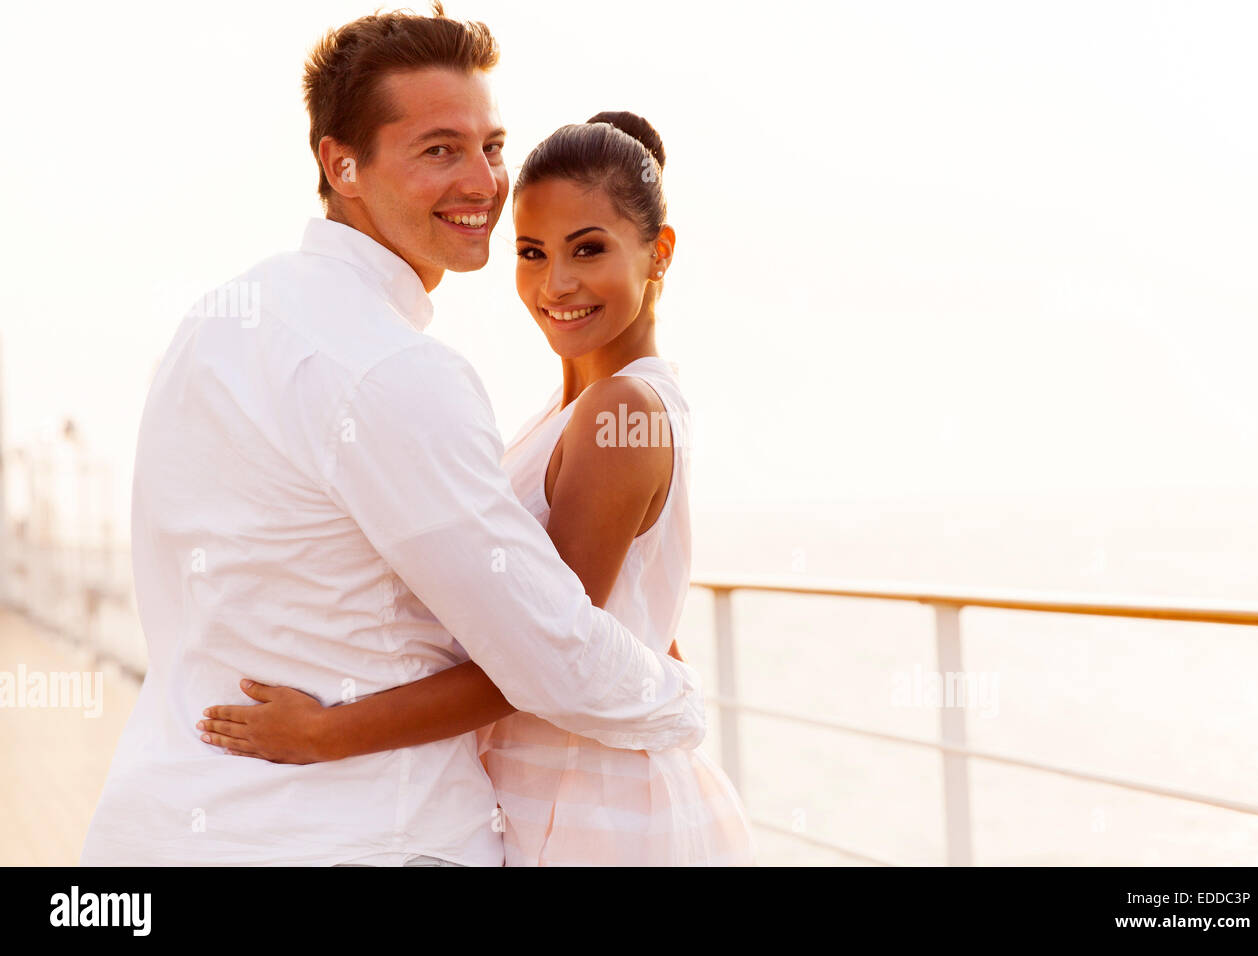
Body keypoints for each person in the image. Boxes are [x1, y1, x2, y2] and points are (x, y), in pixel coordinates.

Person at [80, 5, 704, 868]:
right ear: (342, 165)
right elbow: (551, 655)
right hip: (362, 836)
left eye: (491, 145)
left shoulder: (216, 322)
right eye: (438, 149)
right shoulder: (397, 370)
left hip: (163, 817)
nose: (484, 180)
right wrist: (680, 699)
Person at [197, 113, 756, 866]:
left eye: (587, 250)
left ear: (659, 252)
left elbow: (550, 656)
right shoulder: (569, 413)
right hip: (545, 789)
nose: (555, 284)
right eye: (531, 253)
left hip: (588, 807)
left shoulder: (620, 413)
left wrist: (324, 734)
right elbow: (642, 624)